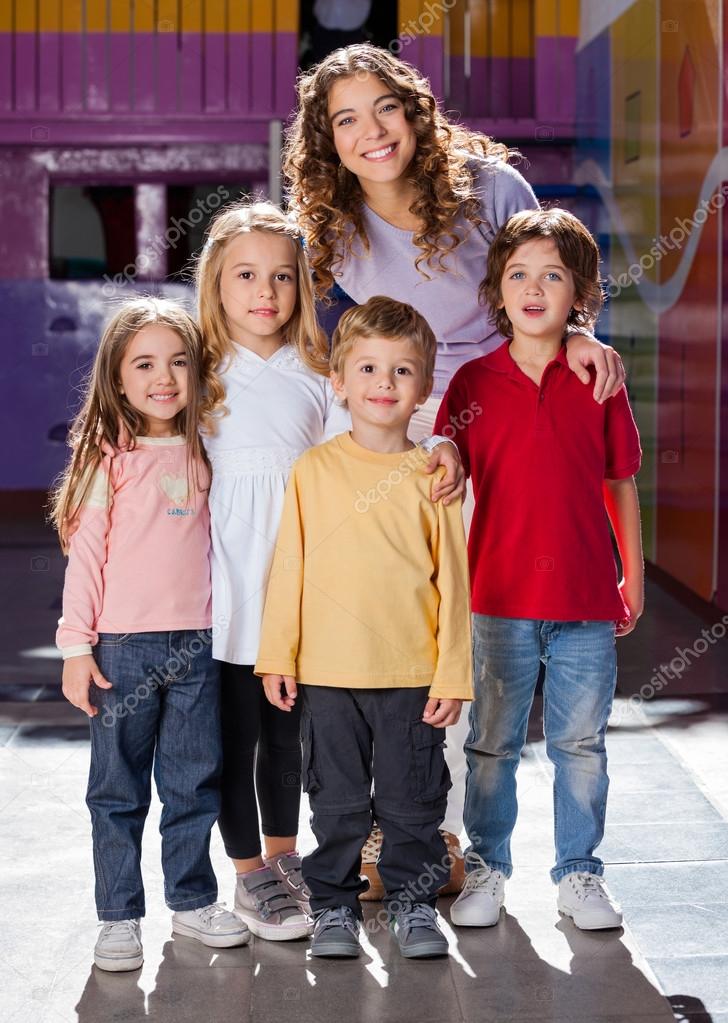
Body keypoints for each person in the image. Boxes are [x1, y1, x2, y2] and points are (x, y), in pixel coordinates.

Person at [283, 42, 627, 877]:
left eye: (385, 108)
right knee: (404, 612)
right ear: (327, 140)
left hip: (502, 405)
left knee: (471, 625)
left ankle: (465, 838)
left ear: (415, 107)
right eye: (346, 120)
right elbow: (320, 344)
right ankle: (390, 821)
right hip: (411, 413)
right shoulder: (326, 224)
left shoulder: (490, 186)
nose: (372, 132)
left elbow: (546, 270)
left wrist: (578, 332)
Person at [195, 200, 458, 939]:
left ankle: (287, 862)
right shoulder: (203, 372)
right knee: (232, 738)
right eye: (246, 275)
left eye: (283, 277)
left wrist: (445, 444)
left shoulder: (316, 372)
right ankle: (247, 871)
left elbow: (379, 424)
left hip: (309, 593)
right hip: (226, 586)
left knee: (291, 744)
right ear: (216, 281)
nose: (265, 292)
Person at [434, 208, 644, 930]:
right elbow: (448, 468)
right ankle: (487, 868)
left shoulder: (599, 377)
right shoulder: (471, 383)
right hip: (497, 600)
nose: (533, 288)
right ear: (496, 288)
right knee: (491, 742)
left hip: (586, 597)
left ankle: (580, 874)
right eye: (518, 274)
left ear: (578, 292)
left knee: (579, 743)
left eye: (552, 275)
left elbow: (620, 483)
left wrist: (632, 577)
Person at [255, 296, 474, 960]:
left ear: (424, 388)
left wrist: (453, 673)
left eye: (402, 371)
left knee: (415, 804)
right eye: (370, 368)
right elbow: (286, 566)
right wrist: (277, 655)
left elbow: (455, 585)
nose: (385, 383)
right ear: (340, 381)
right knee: (337, 805)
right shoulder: (313, 472)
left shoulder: (434, 479)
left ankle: (413, 904)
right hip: (327, 675)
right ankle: (333, 908)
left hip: (410, 675)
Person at [52, 297, 249, 972]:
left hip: (197, 646)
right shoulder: (109, 459)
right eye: (144, 363)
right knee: (118, 789)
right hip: (121, 650)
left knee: (194, 782)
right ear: (117, 375)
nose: (163, 376)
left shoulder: (206, 448)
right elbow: (86, 559)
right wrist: (76, 647)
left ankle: (192, 902)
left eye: (178, 361)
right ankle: (118, 915)